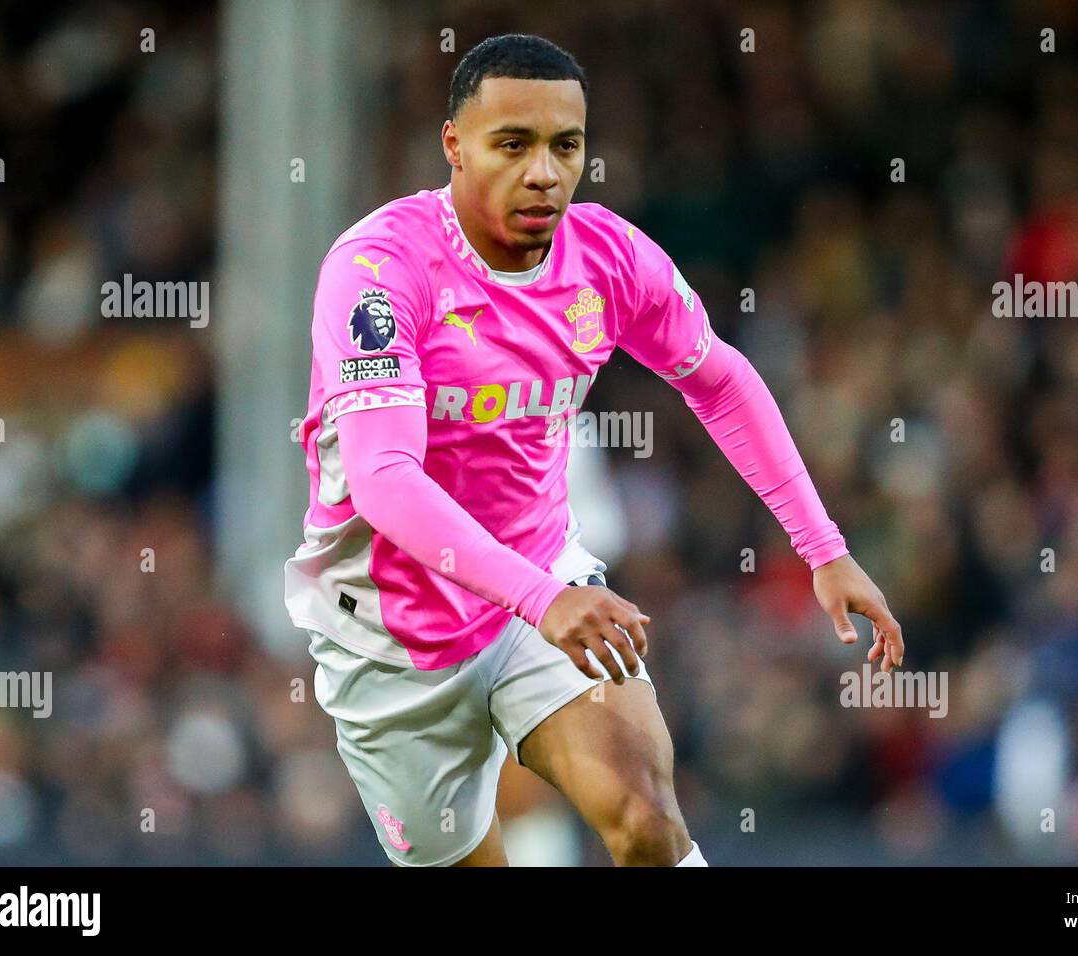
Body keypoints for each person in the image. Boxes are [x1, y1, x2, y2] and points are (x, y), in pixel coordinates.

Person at [284, 33, 905, 867]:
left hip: (541, 586)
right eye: (513, 144)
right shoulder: (378, 271)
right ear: (454, 146)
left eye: (564, 146)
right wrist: (540, 599)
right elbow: (384, 478)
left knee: (647, 822)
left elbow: (718, 380)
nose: (543, 172)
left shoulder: (608, 256)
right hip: (391, 637)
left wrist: (824, 549)